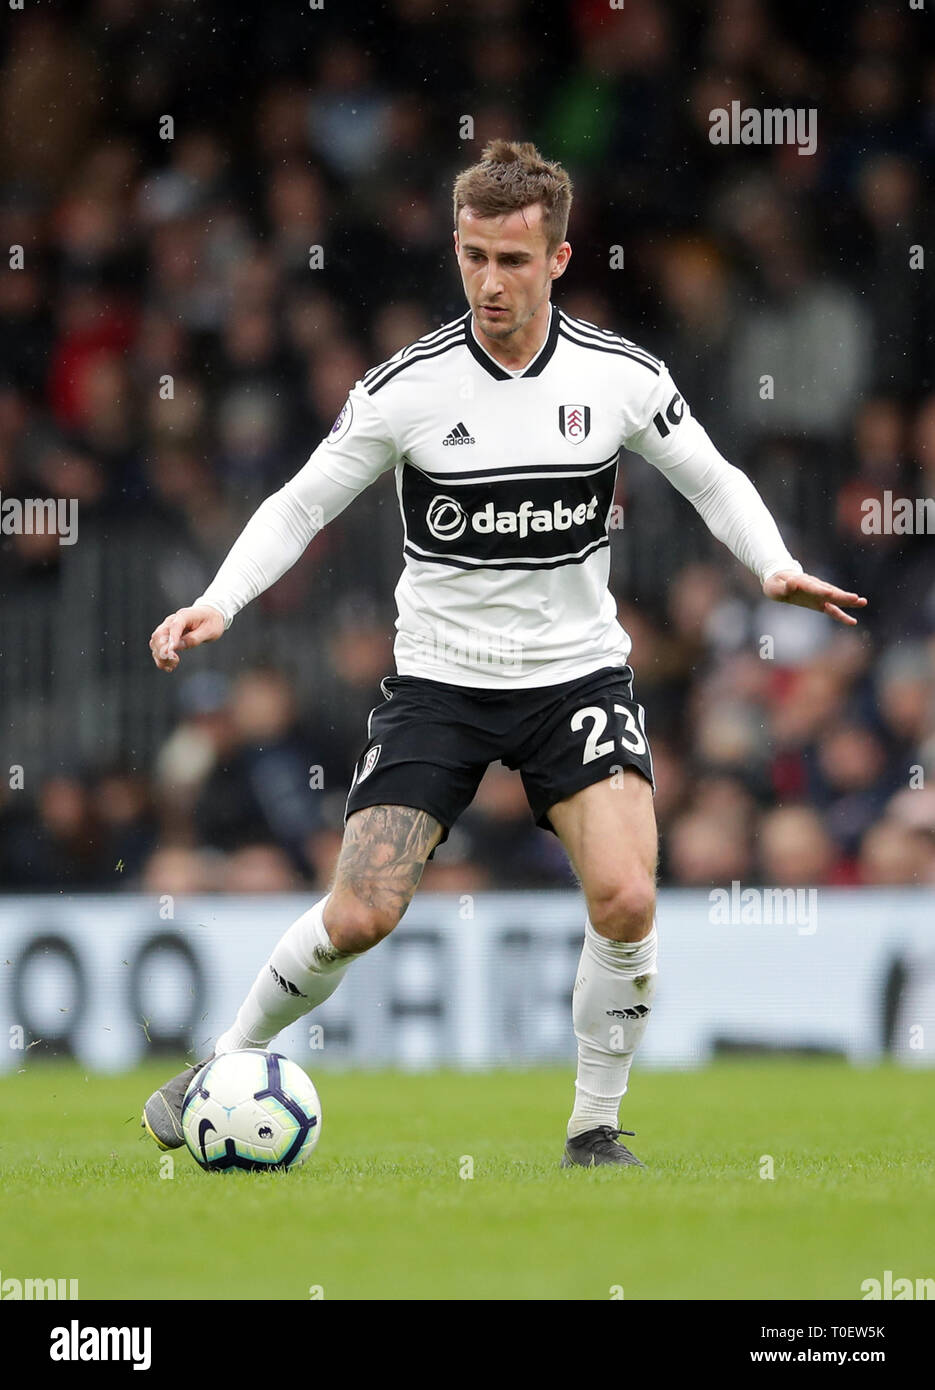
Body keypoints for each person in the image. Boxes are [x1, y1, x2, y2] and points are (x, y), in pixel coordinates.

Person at [144, 140, 866, 1167]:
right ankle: (221, 1060)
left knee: (624, 893)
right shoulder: (408, 387)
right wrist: (219, 599)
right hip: (439, 679)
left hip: (573, 672)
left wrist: (771, 563)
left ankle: (593, 1127)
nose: (490, 281)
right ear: (455, 248)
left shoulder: (617, 377)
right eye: (473, 256)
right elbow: (302, 500)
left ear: (557, 259)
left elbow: (710, 476)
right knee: (361, 910)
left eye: (513, 260)